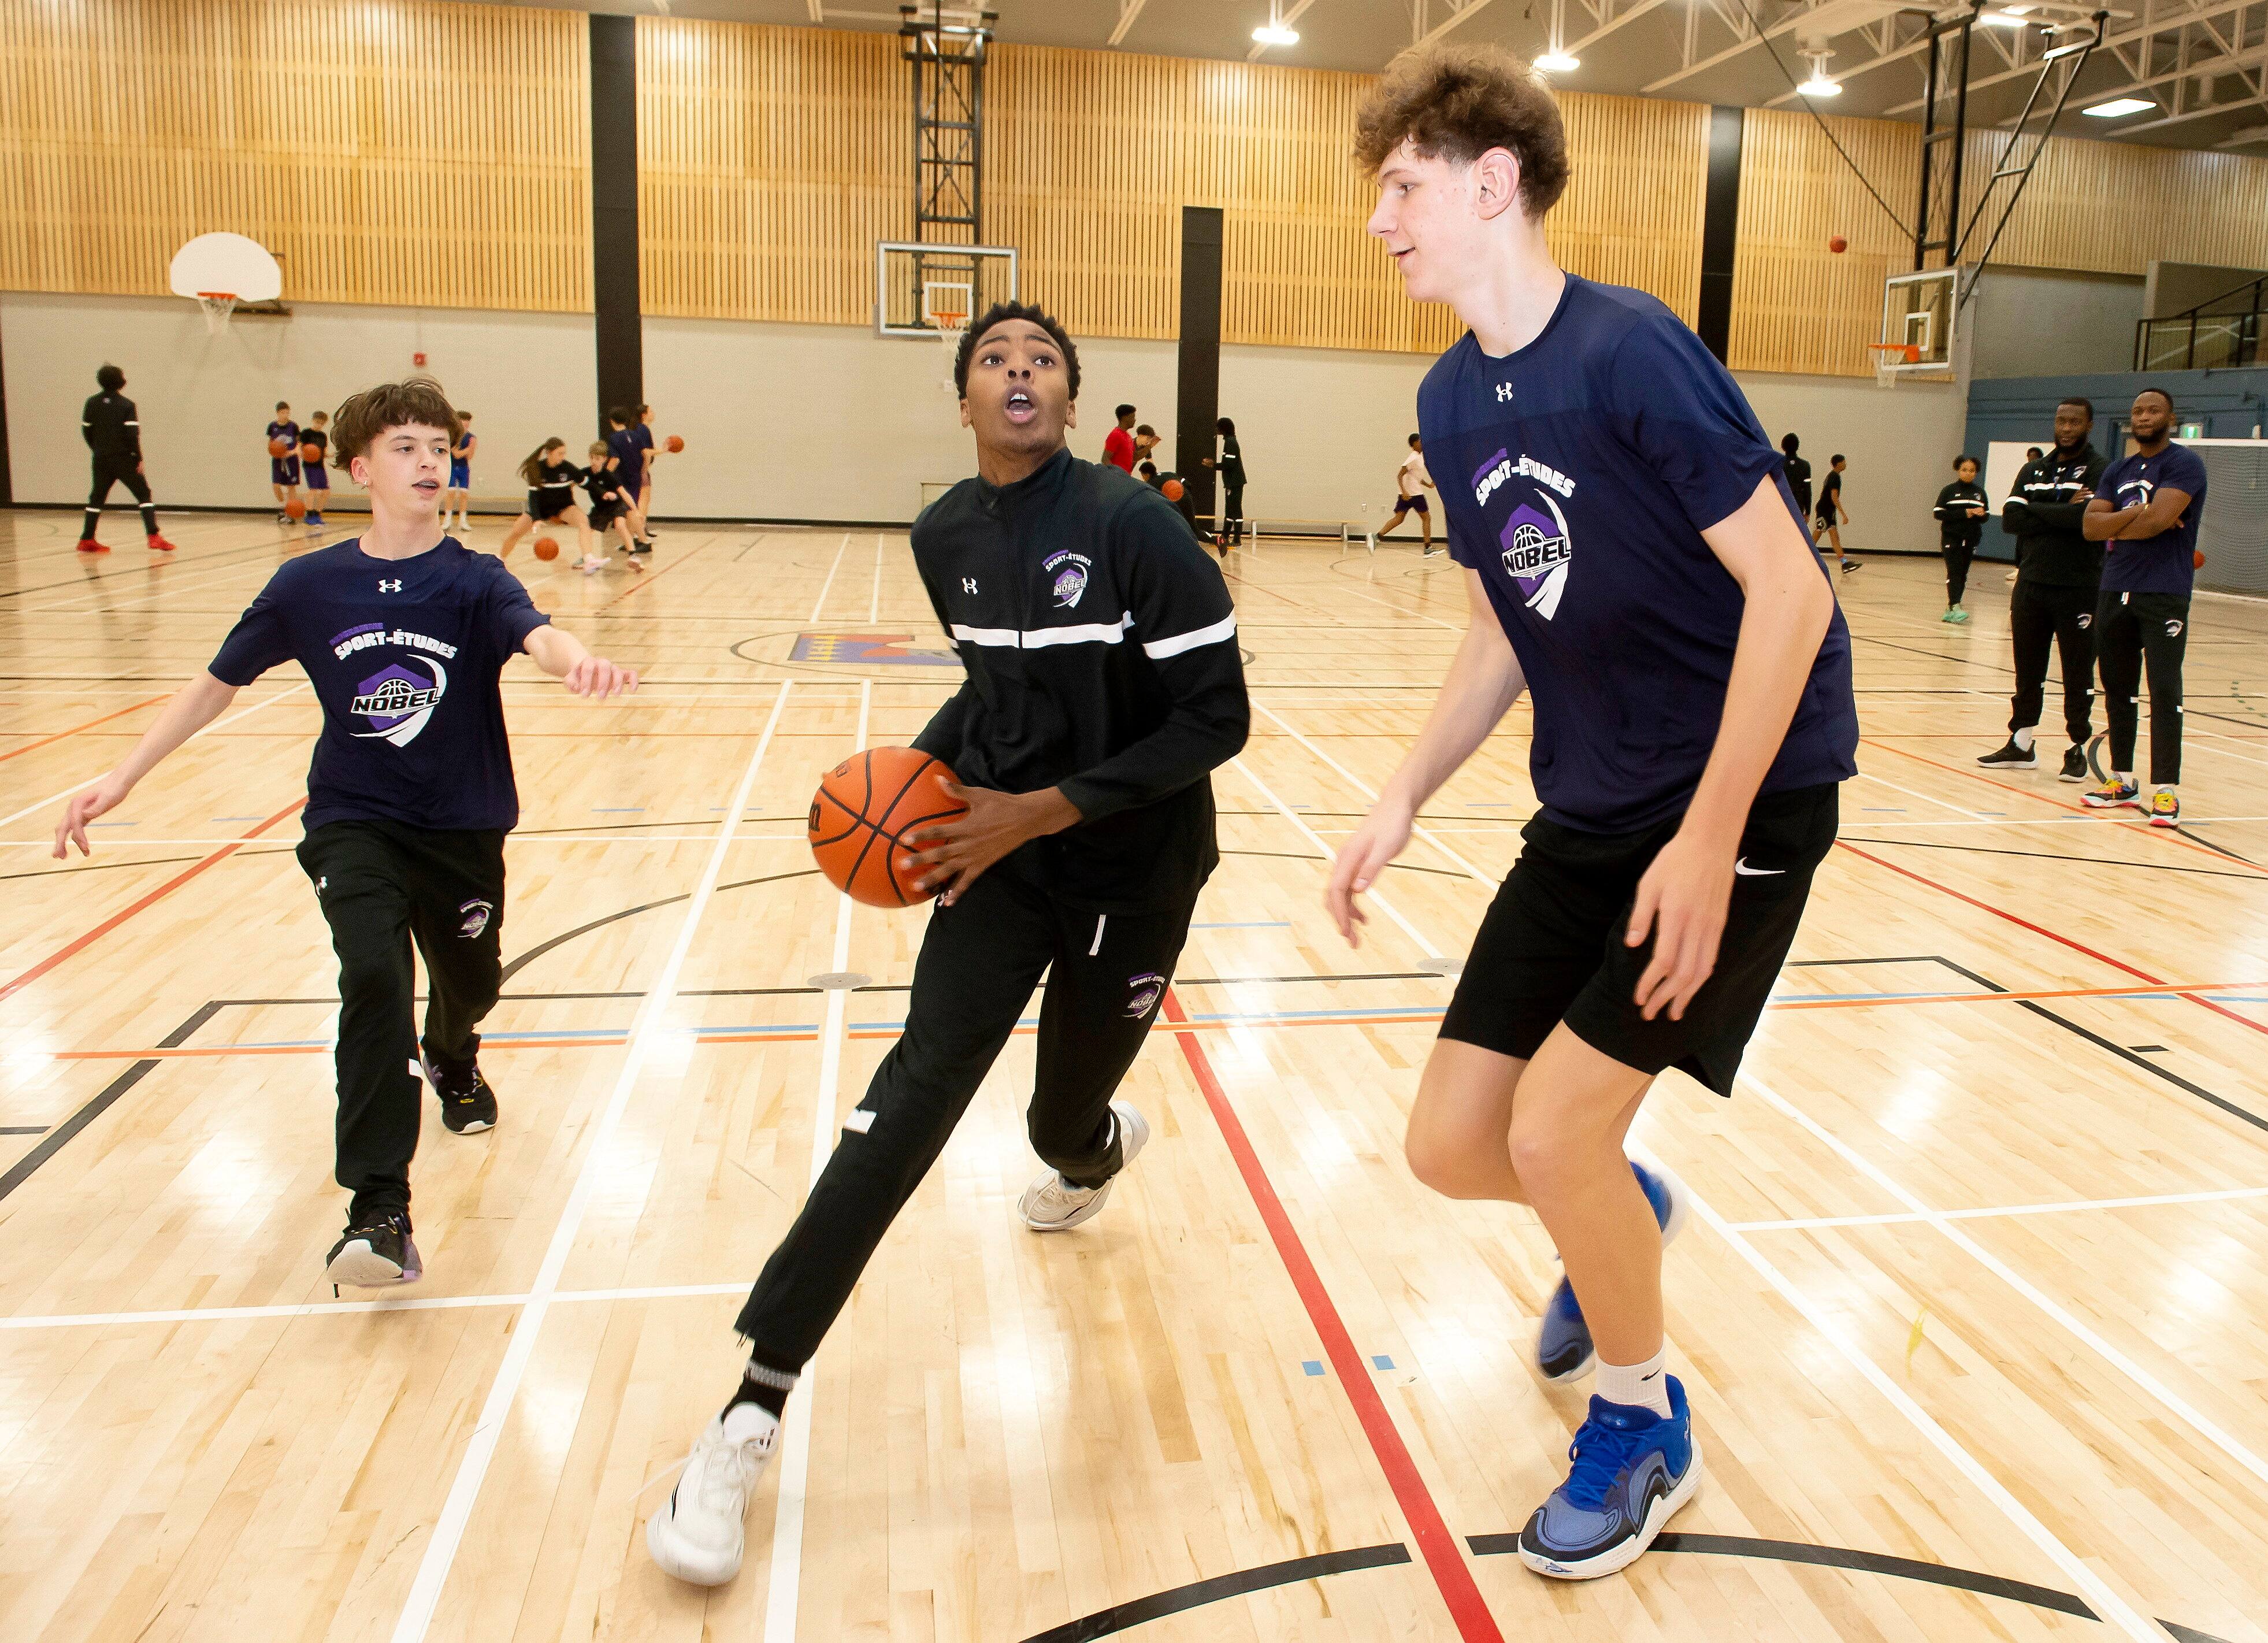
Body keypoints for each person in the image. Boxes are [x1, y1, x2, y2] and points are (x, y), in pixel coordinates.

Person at [1334, 42, 1856, 1582]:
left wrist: (1707, 839)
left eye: (1402, 187)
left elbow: (1791, 589)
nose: (1381, 222)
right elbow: (1505, 620)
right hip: (1591, 803)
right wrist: (1400, 794)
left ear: (1489, 183)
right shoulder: (1447, 395)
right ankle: (1618, 1212)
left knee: (1553, 1127)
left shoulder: (1629, 353)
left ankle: (1642, 1420)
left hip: (1743, 802)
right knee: (1447, 1145)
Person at [644, 301, 1249, 1587]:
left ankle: (1092, 1143)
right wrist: (914, 776)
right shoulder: (945, 534)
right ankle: (751, 1405)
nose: (1017, 373)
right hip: (994, 855)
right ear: (962, 397)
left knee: (1059, 1116)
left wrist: (1054, 802)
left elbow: (1219, 717)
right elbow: (994, 685)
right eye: (994, 359)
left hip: (1135, 865)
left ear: (1072, 398)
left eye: (1041, 360)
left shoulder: (1136, 526)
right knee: (906, 1103)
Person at [51, 378, 637, 1287]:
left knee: (469, 982)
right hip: (352, 819)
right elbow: (216, 682)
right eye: (405, 447)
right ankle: (379, 1208)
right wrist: (121, 776)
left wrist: (579, 663)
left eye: (438, 447)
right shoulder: (309, 584)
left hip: (463, 827)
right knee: (371, 975)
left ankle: (454, 1052)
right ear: (360, 467)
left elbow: (538, 634)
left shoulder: (474, 577)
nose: (429, 462)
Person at [2081, 387, 2207, 827]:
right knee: (2116, 687)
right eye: (2137, 409)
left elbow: (2156, 522)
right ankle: (2122, 779)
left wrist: (2123, 519)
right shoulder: (2117, 468)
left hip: (2163, 590)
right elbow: (2091, 528)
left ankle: (2165, 791)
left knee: (2164, 689)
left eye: (2153, 409)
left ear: (2170, 417)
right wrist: (2141, 516)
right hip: (2114, 587)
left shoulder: (2183, 464)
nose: (2144, 416)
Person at [1978, 398, 2105, 778]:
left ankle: (2076, 746)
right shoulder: (2033, 468)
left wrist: (2039, 508)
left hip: (2079, 587)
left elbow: (2086, 519)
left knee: (2077, 670)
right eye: (2061, 420)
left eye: (2074, 421)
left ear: (2088, 425)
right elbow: (2010, 519)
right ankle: (2021, 742)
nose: (2066, 427)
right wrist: (2063, 505)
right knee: (2026, 668)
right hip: (2031, 584)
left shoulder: (2100, 469)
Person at [76, 363, 175, 554]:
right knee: (143, 495)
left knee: (96, 498)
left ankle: (87, 539)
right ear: (120, 381)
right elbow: (132, 435)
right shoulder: (126, 405)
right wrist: (138, 457)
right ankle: (153, 536)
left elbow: (86, 430)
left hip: (101, 458)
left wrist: (97, 448)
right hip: (123, 459)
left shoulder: (91, 403)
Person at [499, 439, 604, 573]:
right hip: (541, 509)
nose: (563, 457)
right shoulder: (537, 469)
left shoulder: (567, 468)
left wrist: (603, 493)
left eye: (564, 453)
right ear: (549, 453)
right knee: (516, 531)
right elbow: (533, 497)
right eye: (560, 453)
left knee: (584, 521)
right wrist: (536, 519)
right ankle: (500, 560)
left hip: (564, 508)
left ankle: (589, 560)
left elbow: (587, 483)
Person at [1931, 455, 1988, 623]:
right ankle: (1955, 604)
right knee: (1954, 570)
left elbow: (1986, 516)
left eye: (1972, 471)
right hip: (1952, 538)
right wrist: (1965, 513)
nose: (1968, 473)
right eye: (1965, 470)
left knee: (1963, 573)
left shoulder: (1979, 493)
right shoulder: (1949, 491)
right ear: (1958, 470)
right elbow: (1938, 513)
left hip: (1971, 538)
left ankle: (1952, 607)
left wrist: (1981, 514)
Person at [580, 442, 647, 569]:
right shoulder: (584, 473)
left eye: (598, 459)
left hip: (616, 506)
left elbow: (624, 493)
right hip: (600, 508)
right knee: (587, 530)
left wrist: (636, 510)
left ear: (604, 459)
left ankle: (633, 555)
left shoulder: (608, 476)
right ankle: (586, 556)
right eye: (592, 458)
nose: (594, 461)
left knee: (620, 526)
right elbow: (572, 482)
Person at [1379, 432, 1436, 552]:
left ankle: (1377, 536)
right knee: (1427, 518)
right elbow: (1400, 475)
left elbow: (1416, 477)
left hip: (1409, 493)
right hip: (1414, 494)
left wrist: (1428, 485)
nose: (1422, 443)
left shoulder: (1420, 457)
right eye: (1420, 441)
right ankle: (1427, 547)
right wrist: (1404, 492)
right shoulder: (1413, 458)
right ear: (1415, 444)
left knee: (1399, 519)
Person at [1200, 416, 1248, 551]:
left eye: (1218, 427)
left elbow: (1230, 464)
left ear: (1223, 429)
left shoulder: (1231, 443)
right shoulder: (1229, 441)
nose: (1216, 430)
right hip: (1232, 482)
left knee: (1235, 510)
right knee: (1230, 510)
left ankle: (1237, 539)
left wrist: (1213, 465)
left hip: (1235, 482)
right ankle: (1225, 537)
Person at [1812, 453, 1857, 573]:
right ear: (1838, 464)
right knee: (1819, 531)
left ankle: (1844, 563)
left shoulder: (1834, 476)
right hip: (1824, 510)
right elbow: (1834, 497)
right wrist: (1843, 514)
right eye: (1844, 461)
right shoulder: (1835, 477)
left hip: (1829, 510)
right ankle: (1805, 553)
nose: (1845, 464)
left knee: (1835, 537)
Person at [268, 400, 303, 525]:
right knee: (276, 486)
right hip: (278, 460)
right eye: (282, 412)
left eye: (287, 412)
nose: (285, 415)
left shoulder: (293, 426)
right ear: (278, 413)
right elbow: (271, 445)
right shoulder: (272, 426)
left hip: (291, 460)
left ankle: (290, 512)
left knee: (291, 487)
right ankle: (285, 506)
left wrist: (294, 451)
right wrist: (275, 452)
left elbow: (299, 443)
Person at [444, 410, 476, 534]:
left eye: (468, 422)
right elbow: (456, 455)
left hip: (464, 469)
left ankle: (463, 521)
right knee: (450, 493)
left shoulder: (471, 437)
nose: (466, 424)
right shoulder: (453, 436)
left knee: (464, 495)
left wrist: (469, 450)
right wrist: (469, 448)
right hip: (452, 468)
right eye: (463, 421)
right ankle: (447, 520)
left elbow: (470, 457)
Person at [301, 411, 332, 529]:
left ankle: (317, 514)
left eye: (322, 423)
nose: (319, 425)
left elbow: (323, 452)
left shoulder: (323, 436)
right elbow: (300, 447)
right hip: (309, 465)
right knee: (313, 490)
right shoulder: (306, 433)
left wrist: (331, 455)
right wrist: (301, 453)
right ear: (313, 420)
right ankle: (309, 515)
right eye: (317, 422)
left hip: (320, 465)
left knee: (326, 491)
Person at [1780, 433, 1812, 522]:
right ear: (1797, 446)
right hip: (1798, 502)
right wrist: (1808, 511)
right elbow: (1807, 489)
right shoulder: (1805, 465)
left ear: (1783, 447)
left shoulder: (1779, 464)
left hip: (1782, 500)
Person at [1103, 403, 1138, 473]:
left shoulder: (1128, 436)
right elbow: (1105, 458)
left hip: (1126, 480)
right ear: (1125, 418)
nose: (1135, 420)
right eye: (1133, 417)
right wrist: (1114, 477)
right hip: (1117, 481)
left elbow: (1133, 458)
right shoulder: (1116, 435)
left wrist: (1149, 446)